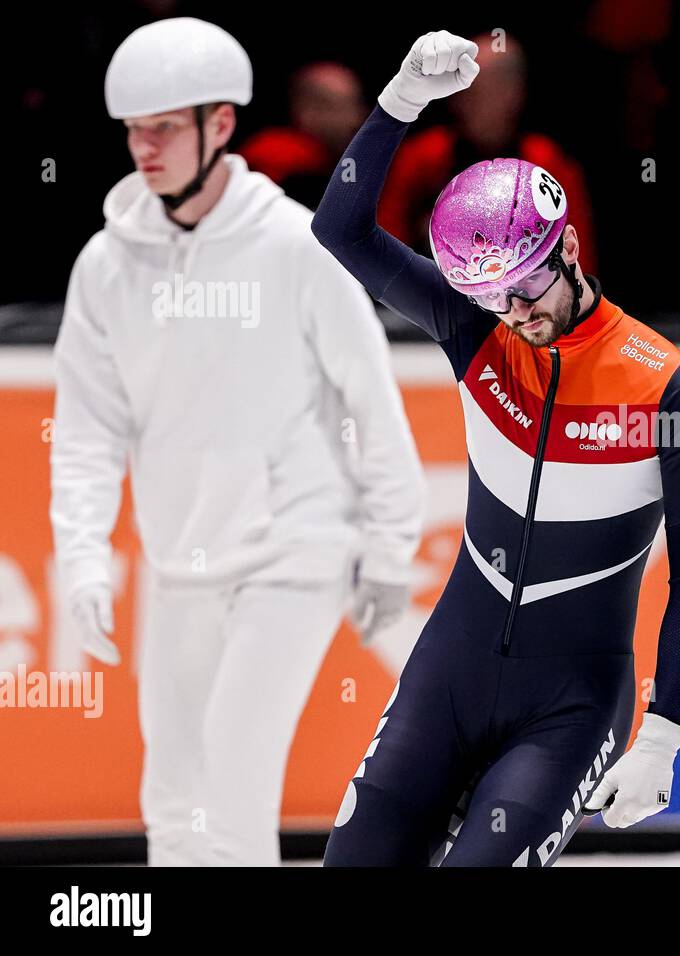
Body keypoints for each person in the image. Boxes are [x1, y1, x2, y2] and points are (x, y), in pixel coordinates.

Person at [312, 30, 680, 867]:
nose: (515, 313)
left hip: (568, 708)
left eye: (528, 286)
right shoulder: (476, 328)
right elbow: (341, 230)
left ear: (569, 248)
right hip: (450, 676)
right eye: (489, 295)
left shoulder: (671, 388)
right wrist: (399, 102)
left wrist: (663, 735)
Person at [49, 17, 425, 866]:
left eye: (165, 127)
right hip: (181, 559)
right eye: (133, 131)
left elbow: (368, 396)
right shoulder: (107, 266)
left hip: (294, 548)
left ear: (221, 124)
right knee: (172, 800)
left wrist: (392, 549)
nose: (145, 148)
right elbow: (86, 429)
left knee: (230, 788)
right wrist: (80, 557)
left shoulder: (298, 245)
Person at [375, 31, 598, 270]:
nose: (460, 103)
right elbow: (383, 243)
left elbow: (578, 262)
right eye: (459, 93)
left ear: (513, 94)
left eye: (475, 93)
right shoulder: (421, 155)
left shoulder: (549, 163)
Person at [240, 62, 368, 209]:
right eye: (339, 108)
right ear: (307, 110)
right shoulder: (277, 160)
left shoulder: (344, 160)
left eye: (356, 105)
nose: (355, 119)